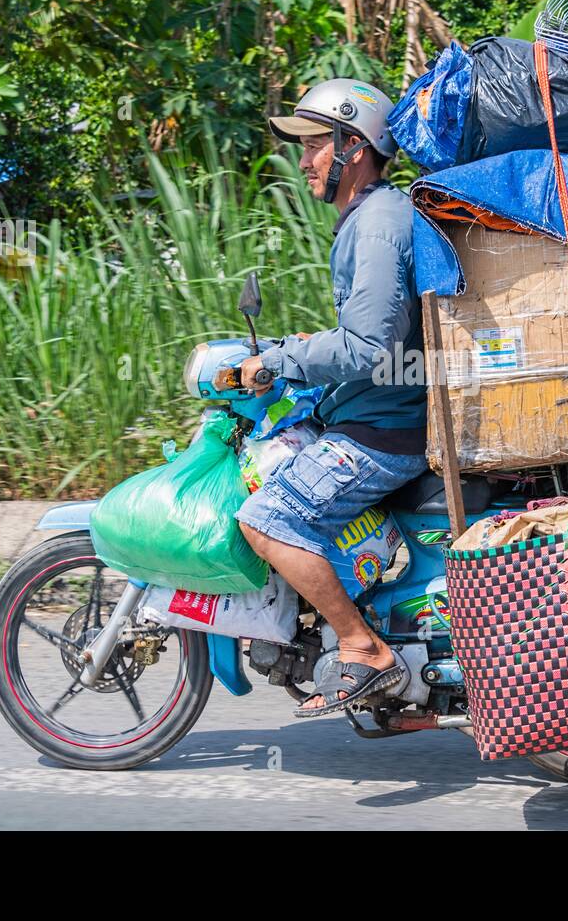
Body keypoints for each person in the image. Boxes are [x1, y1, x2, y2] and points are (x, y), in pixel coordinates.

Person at [224, 78, 428, 717]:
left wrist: (279, 358)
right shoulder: (369, 218)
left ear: (355, 148)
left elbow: (369, 347)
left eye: (317, 145)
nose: (306, 160)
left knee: (266, 519)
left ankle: (362, 647)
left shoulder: (378, 222)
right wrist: (296, 356)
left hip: (383, 432)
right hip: (378, 415)